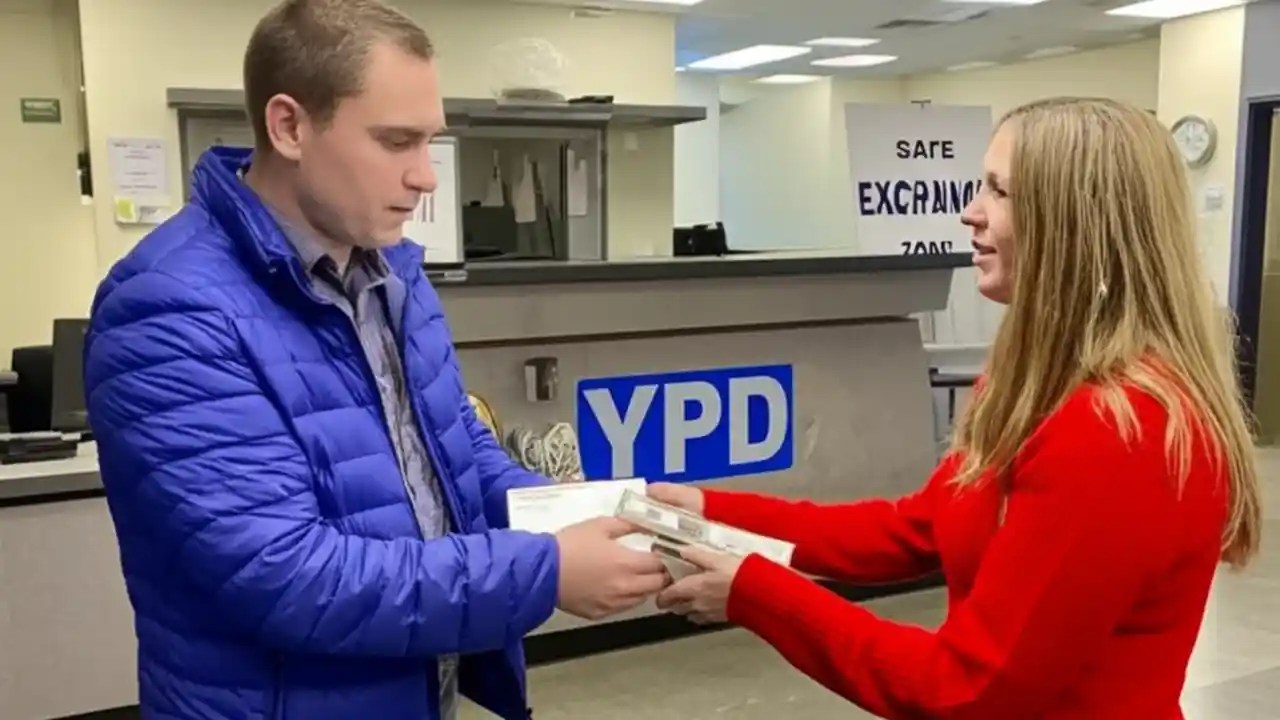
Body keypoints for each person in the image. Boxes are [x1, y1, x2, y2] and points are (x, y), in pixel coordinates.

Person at [83, 2, 668, 719]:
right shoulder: (169, 309)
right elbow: (286, 576)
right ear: (289, 126)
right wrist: (545, 572)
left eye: (430, 143)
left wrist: (607, 516)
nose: (427, 178)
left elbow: (453, 459)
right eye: (397, 143)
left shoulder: (390, 276)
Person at [647, 97, 1262, 719]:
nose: (969, 212)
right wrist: (709, 510)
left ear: (1074, 223)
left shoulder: (1117, 430)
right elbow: (918, 528)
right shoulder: (1033, 383)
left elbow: (974, 689)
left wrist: (755, 591)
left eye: (999, 191)